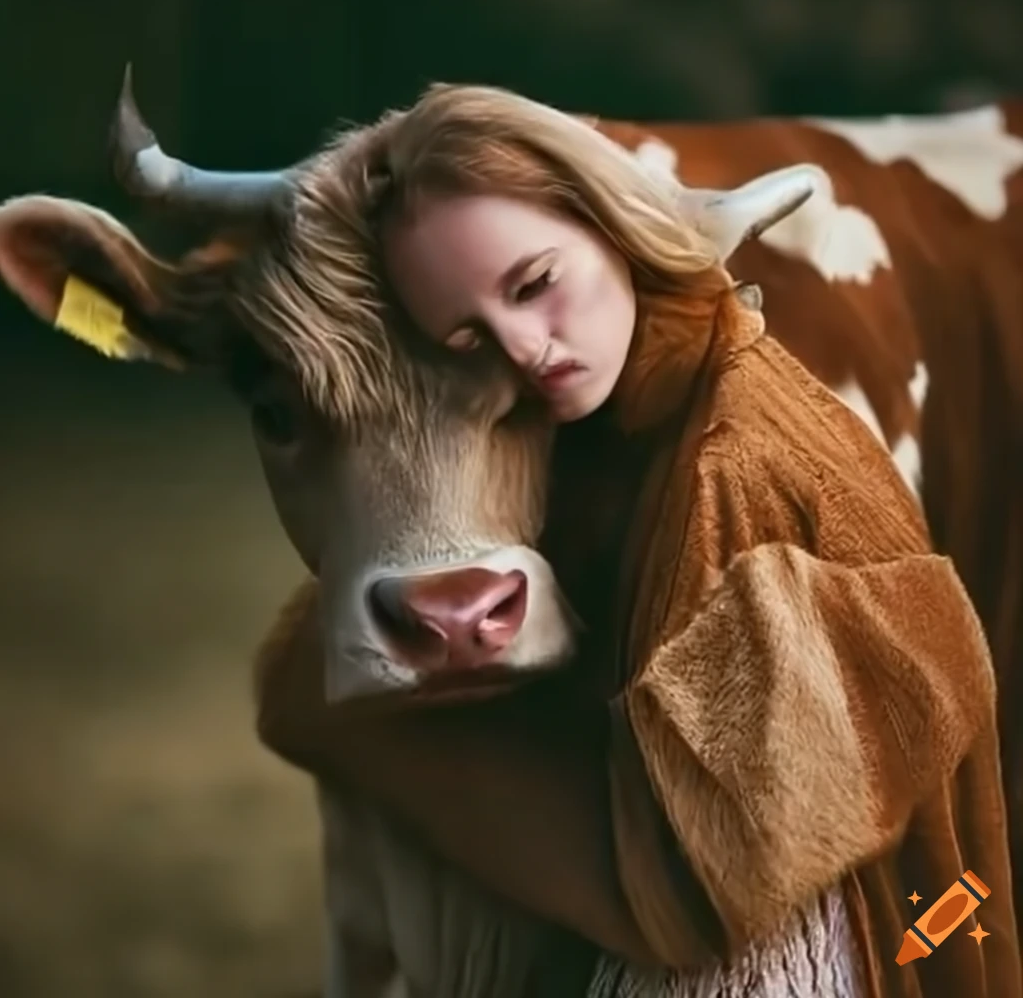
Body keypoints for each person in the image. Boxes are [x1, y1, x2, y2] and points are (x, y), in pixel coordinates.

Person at [253, 83, 1021, 997]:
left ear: (615, 227)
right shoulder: (648, 413)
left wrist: (366, 729)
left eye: (535, 285)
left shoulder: (731, 469)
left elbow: (711, 874)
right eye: (469, 337)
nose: (527, 348)